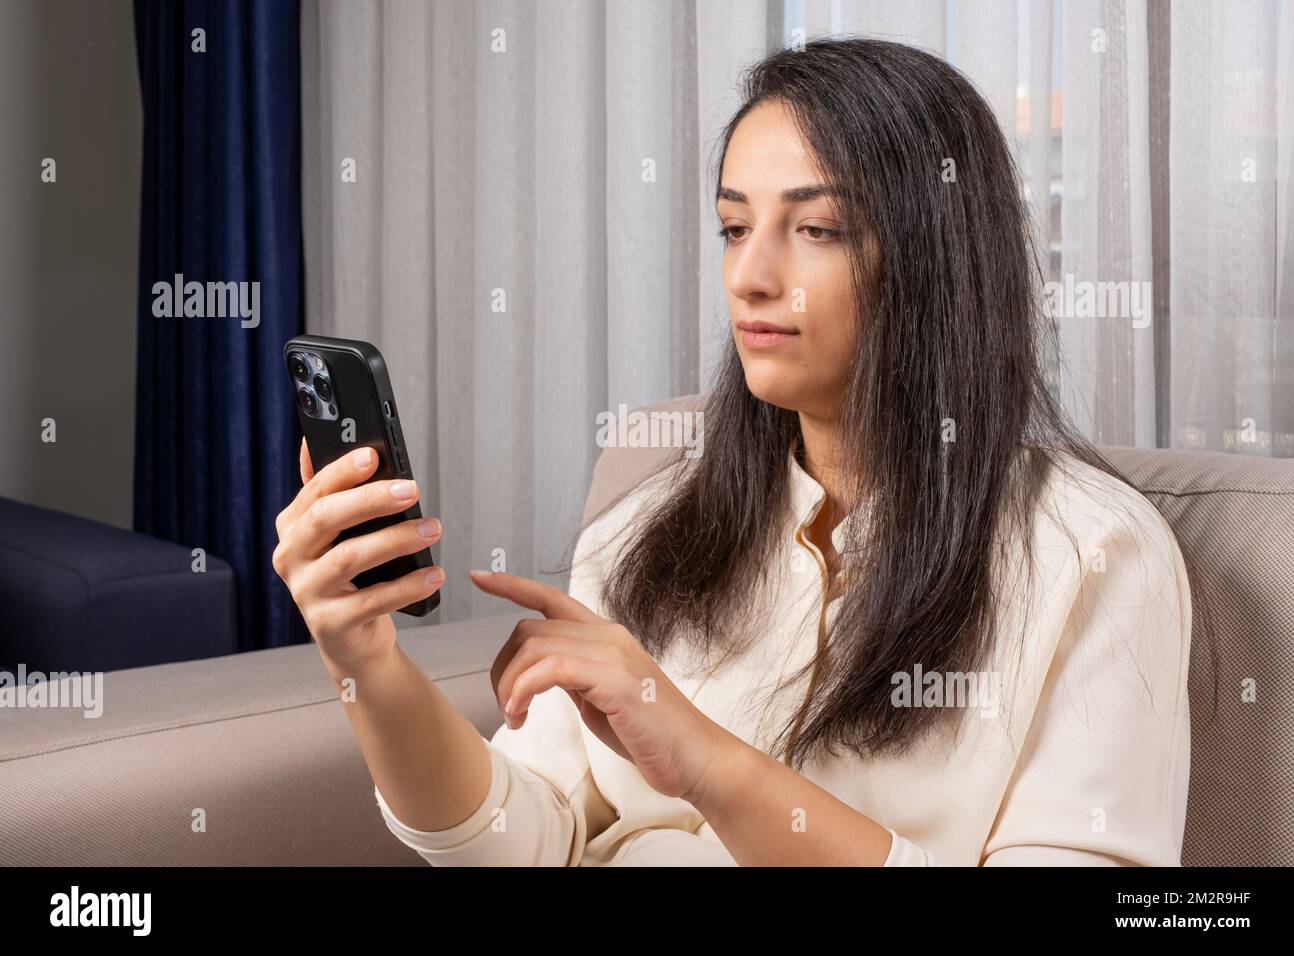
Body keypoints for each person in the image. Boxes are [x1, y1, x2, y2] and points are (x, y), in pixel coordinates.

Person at [272, 36, 1194, 866]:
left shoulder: (1092, 555)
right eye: (735, 226)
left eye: (817, 228)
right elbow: (529, 842)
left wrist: (708, 763)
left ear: (938, 257)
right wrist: (367, 663)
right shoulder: (645, 529)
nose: (751, 276)